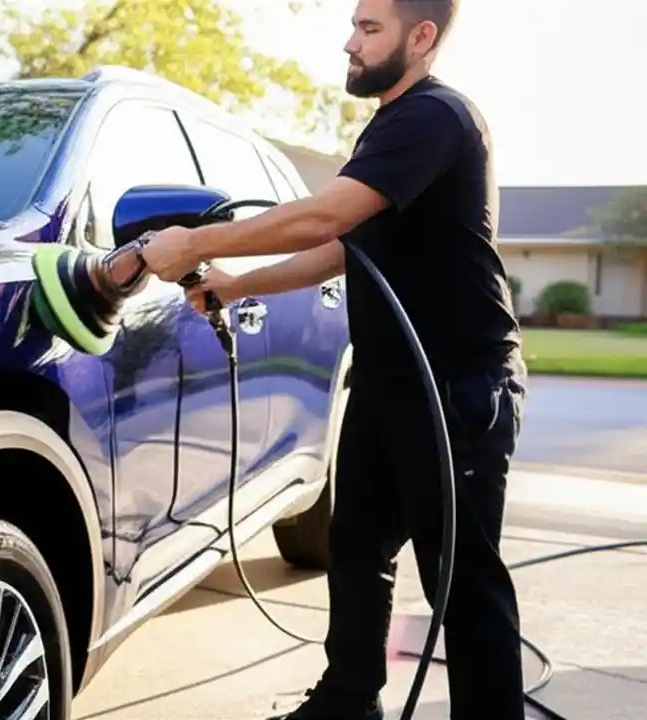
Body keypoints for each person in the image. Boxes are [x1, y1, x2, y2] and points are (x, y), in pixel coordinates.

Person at [140, 1, 528, 718]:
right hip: (389, 381)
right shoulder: (391, 127)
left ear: (421, 38)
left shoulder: (436, 116)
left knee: (463, 581)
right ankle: (348, 702)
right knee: (355, 549)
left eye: (369, 28)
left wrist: (197, 245)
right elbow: (345, 247)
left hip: (458, 385)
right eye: (353, 25)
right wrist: (235, 283)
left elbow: (327, 215)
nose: (349, 42)